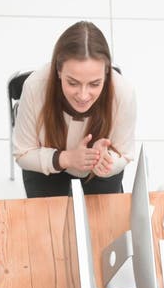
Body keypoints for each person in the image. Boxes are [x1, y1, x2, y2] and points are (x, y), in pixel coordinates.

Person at [13, 21, 136, 198]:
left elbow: (124, 153)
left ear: (106, 73)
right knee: (48, 223)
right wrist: (67, 159)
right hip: (47, 164)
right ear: (58, 71)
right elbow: (23, 154)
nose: (83, 96)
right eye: (73, 83)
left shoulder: (123, 92)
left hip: (98, 171)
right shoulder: (34, 87)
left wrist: (106, 161)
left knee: (103, 223)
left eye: (94, 84)